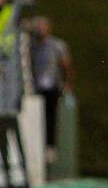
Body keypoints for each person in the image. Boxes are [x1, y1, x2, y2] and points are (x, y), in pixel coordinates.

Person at [28, 16, 74, 165]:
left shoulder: (57, 45)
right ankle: (38, 146)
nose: (40, 29)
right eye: (38, 26)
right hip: (36, 87)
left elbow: (66, 65)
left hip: (52, 86)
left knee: (50, 115)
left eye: (43, 26)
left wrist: (67, 84)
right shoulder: (32, 46)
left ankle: (50, 147)